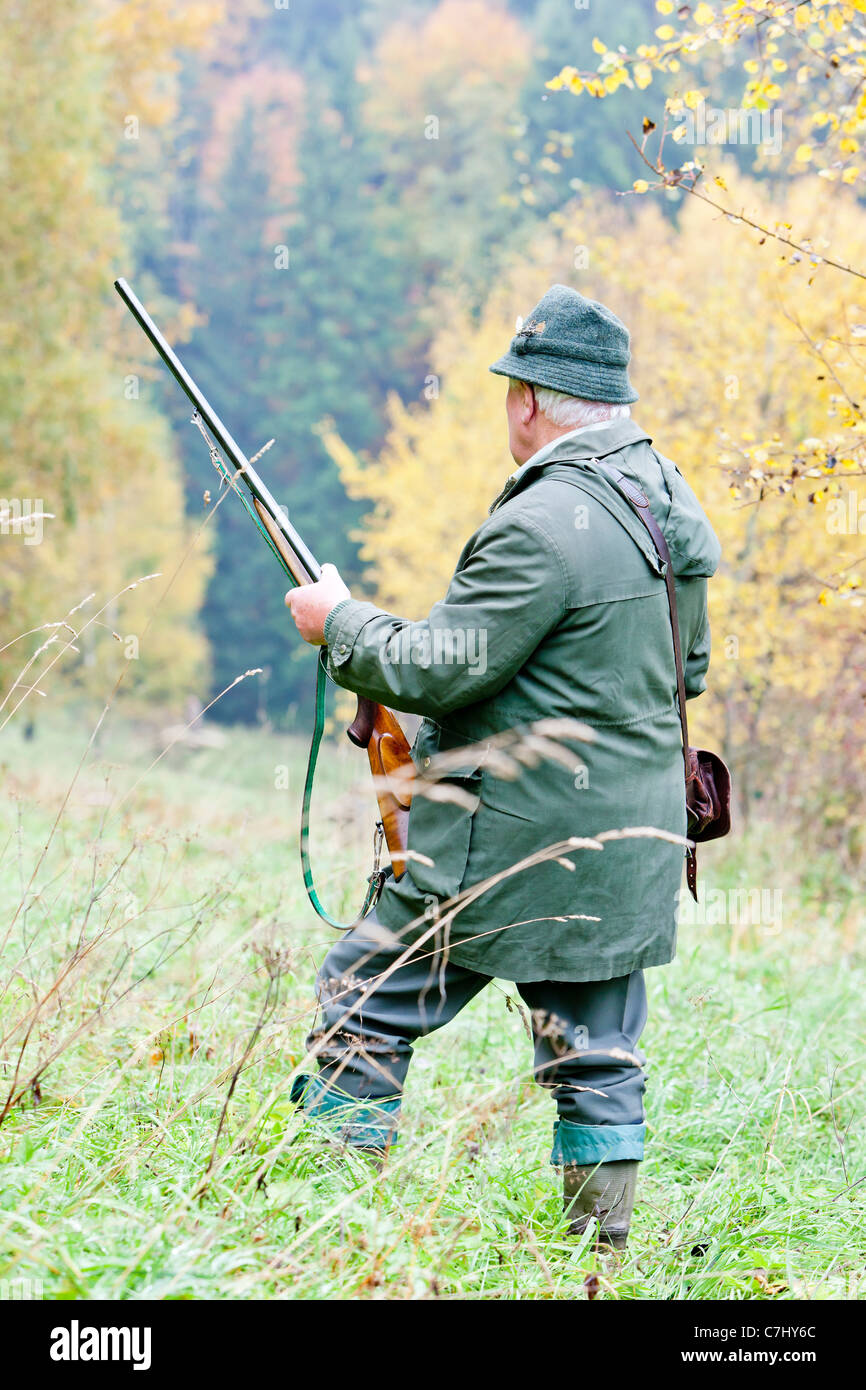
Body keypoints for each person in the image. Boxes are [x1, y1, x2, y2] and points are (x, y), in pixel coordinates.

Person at [285, 284, 721, 1250]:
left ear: (528, 398)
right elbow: (684, 669)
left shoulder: (539, 520)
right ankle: (601, 1265)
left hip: (511, 849)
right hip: (634, 841)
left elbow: (443, 670)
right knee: (599, 1056)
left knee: (362, 1001)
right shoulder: (667, 495)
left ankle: (323, 1230)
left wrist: (339, 625)